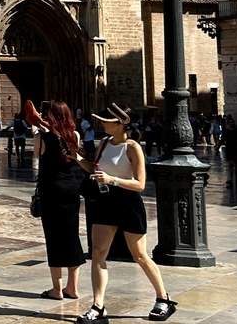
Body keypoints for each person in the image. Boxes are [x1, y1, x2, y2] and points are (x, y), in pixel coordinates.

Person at [75, 103, 176, 323]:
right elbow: (95, 169)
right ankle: (98, 306)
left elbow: (140, 184)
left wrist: (113, 180)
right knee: (98, 254)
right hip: (105, 202)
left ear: (121, 124)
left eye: (106, 121)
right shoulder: (103, 143)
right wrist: (77, 158)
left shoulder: (132, 147)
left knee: (140, 255)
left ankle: (163, 298)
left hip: (128, 202)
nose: (102, 124)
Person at [31, 101, 85, 301]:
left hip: (51, 192)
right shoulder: (75, 135)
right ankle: (73, 287)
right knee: (72, 236)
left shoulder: (41, 138)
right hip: (71, 191)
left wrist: (40, 128)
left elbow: (37, 157)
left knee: (54, 238)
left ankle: (57, 289)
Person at [222, 116, 237, 187]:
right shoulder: (228, 131)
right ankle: (232, 179)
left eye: (231, 122)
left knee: (236, 165)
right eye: (230, 122)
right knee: (231, 165)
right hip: (231, 150)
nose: (231, 124)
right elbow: (223, 140)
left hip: (236, 149)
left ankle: (235, 179)